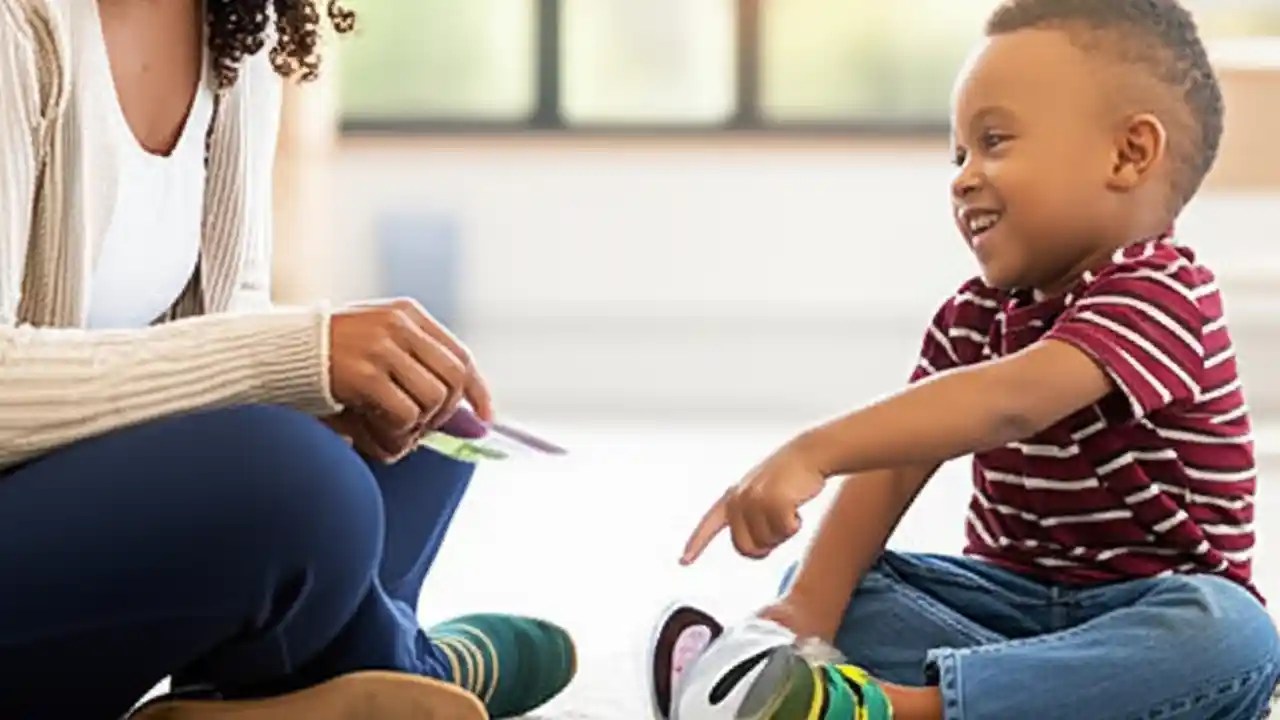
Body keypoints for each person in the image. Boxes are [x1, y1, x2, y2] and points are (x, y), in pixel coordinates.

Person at [652, 1, 1280, 718]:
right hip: (1001, 619)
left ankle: (897, 709)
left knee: (1235, 636)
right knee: (843, 581)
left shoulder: (1165, 292)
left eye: (995, 141)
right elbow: (892, 471)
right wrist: (804, 611)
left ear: (1128, 154)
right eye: (958, 154)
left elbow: (1013, 397)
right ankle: (786, 682)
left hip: (1148, 618)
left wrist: (813, 449)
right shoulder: (973, 314)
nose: (963, 177)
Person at [0, 1, 574, 718]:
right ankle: (411, 666)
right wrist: (299, 356)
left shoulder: (238, 21)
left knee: (422, 439)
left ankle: (289, 693)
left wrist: (327, 382)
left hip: (77, 497)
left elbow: (223, 317)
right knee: (299, 481)